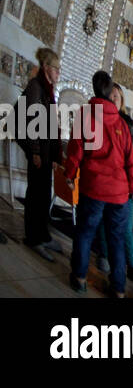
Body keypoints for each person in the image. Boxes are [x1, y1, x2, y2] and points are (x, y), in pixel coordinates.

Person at [65, 71, 133, 296]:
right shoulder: (121, 123)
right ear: (109, 92)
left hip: (94, 188)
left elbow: (76, 149)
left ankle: (79, 278)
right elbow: (131, 162)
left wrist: (70, 175)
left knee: (85, 233)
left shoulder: (86, 115)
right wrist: (130, 188)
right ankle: (118, 290)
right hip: (119, 194)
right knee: (116, 240)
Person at [91, 84, 133, 287]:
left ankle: (132, 267)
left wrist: (132, 187)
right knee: (104, 223)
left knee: (126, 229)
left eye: (118, 96)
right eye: (112, 95)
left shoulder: (129, 125)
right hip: (104, 183)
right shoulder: (100, 120)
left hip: (123, 186)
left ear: (122, 102)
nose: (114, 99)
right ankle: (103, 256)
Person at [17, 48, 62, 262]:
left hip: (45, 152)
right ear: (46, 68)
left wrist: (55, 156)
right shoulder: (36, 86)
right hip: (37, 151)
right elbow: (31, 120)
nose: (58, 73)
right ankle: (33, 238)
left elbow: (52, 126)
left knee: (44, 194)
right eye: (56, 69)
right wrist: (34, 151)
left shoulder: (49, 90)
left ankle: (43, 235)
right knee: (35, 195)